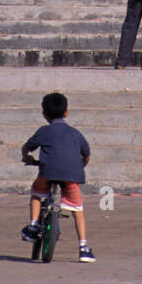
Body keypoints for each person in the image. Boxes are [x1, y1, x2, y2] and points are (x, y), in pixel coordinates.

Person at [21, 90, 95, 262]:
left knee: (37, 193)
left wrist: (27, 158)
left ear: (44, 114)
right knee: (78, 210)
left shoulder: (44, 131)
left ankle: (32, 226)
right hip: (72, 175)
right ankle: (83, 248)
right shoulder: (75, 133)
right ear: (66, 112)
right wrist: (79, 167)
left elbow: (26, 148)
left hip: (47, 172)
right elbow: (87, 154)